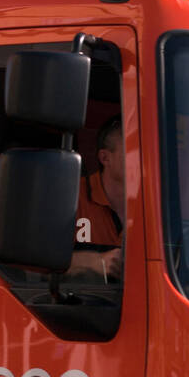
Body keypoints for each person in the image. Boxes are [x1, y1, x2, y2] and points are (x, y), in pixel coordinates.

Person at [69, 116, 124, 282]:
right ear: (105, 158)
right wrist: (94, 262)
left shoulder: (157, 205)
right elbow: (35, 263)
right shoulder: (70, 196)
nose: (145, 157)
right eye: (134, 149)